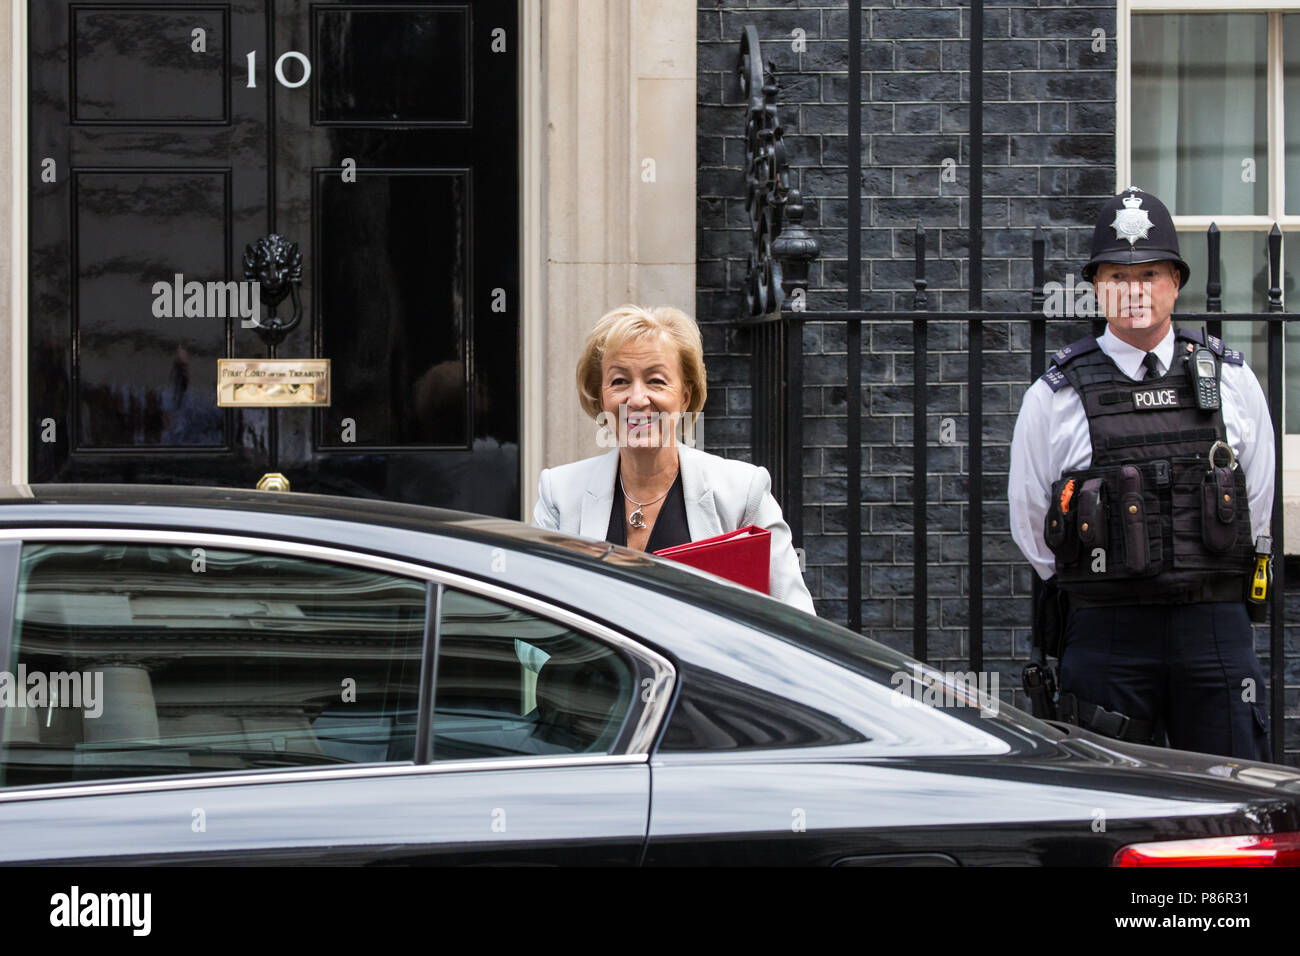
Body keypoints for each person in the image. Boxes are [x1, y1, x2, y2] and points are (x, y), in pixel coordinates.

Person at [1008, 187, 1274, 760]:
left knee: (1232, 796)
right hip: (1107, 631)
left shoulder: (1232, 380)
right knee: (1104, 800)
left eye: (1150, 273)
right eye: (1117, 275)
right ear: (1096, 288)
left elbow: (1259, 501)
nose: (1135, 289)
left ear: (1176, 282)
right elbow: (1033, 526)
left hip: (1214, 626)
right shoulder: (1053, 396)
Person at [533, 304, 815, 614]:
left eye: (656, 380)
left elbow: (797, 618)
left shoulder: (742, 493)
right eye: (619, 381)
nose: (637, 399)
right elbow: (533, 627)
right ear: (601, 398)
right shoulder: (558, 493)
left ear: (685, 397)